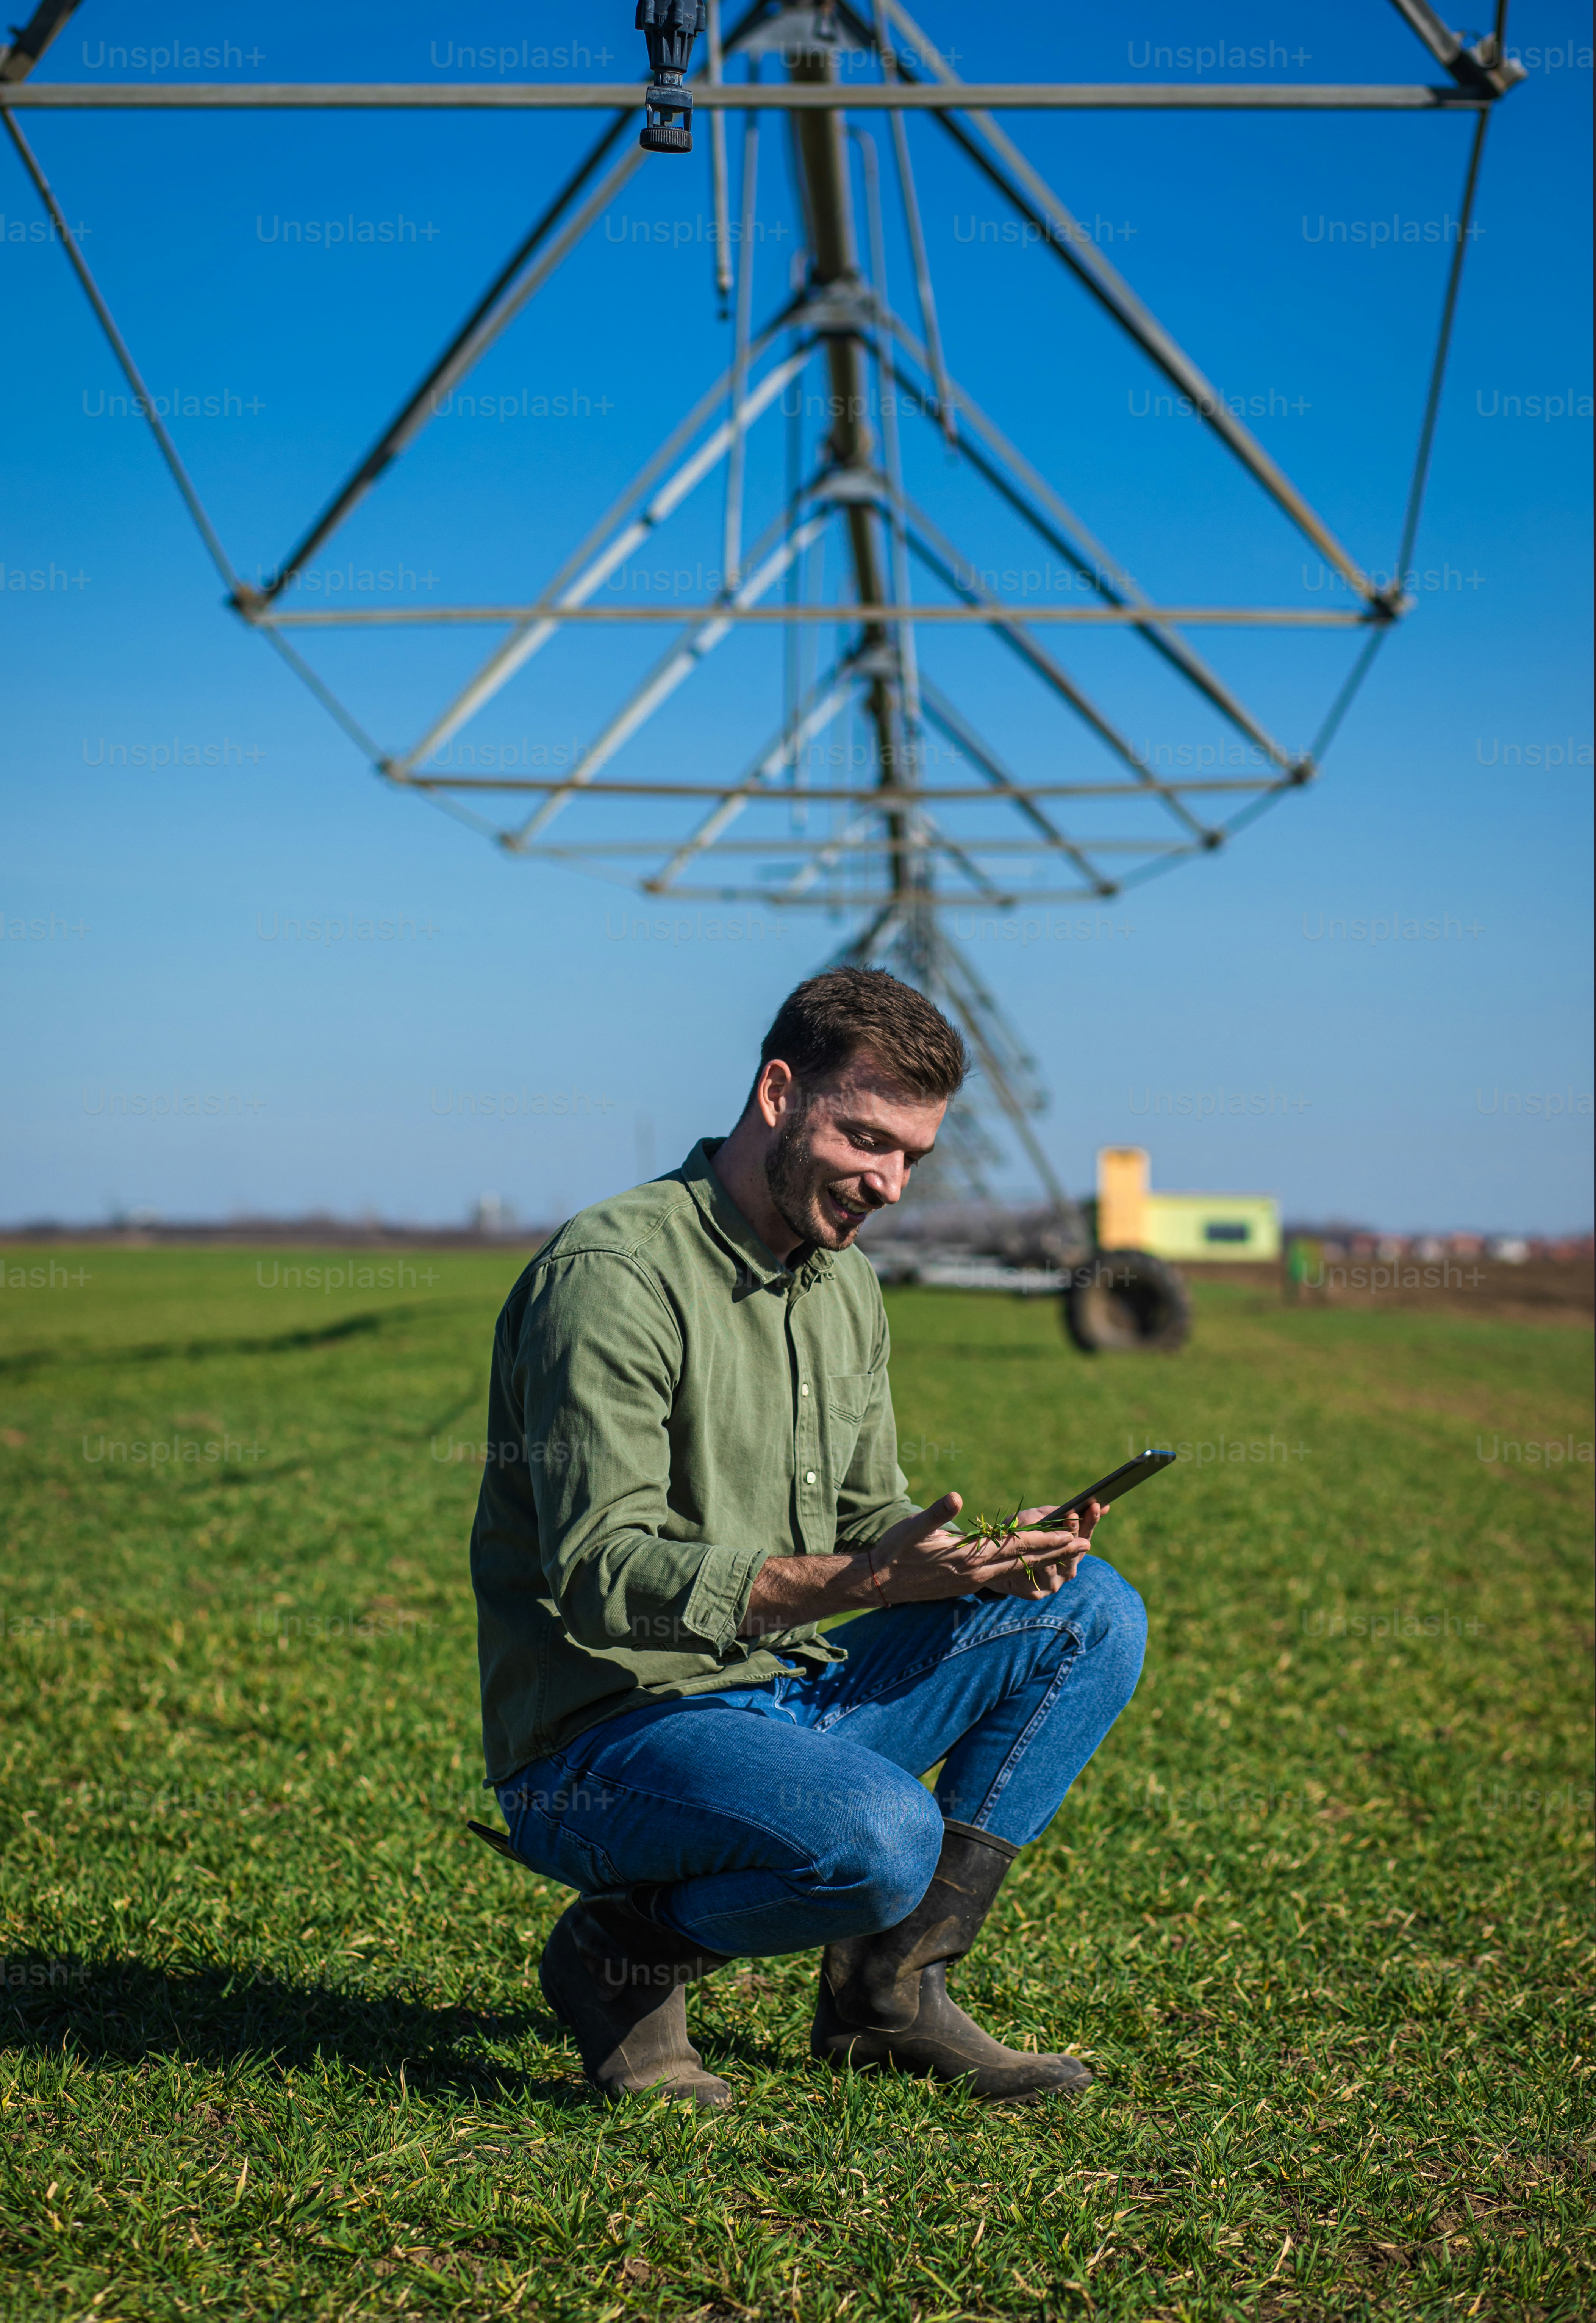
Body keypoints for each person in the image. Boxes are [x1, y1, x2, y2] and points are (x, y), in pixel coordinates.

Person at [470, 968, 1146, 2108]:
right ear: (779, 1093)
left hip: (781, 1691)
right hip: (605, 1742)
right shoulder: (615, 1278)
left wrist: (980, 1557)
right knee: (887, 1836)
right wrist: (864, 1578)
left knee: (1089, 1613)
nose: (889, 1182)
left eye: (913, 1158)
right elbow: (599, 1578)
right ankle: (620, 1954)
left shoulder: (844, 1284)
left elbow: (864, 1521)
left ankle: (888, 1991)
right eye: (869, 1138)